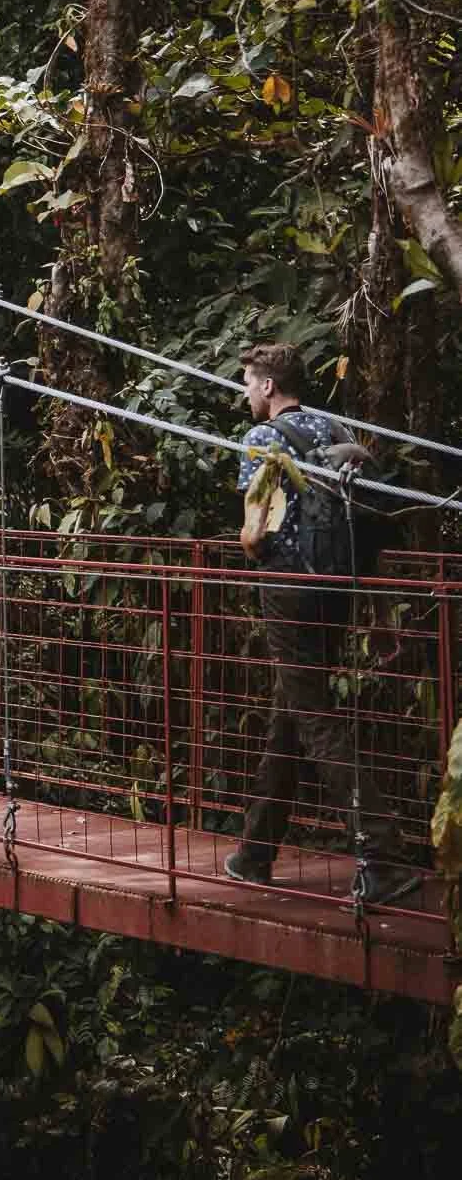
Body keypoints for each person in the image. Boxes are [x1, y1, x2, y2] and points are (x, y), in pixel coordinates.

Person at [224, 341, 414, 906]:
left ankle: (383, 855)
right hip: (335, 592)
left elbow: (255, 532)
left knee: (314, 719)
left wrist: (247, 547)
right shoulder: (333, 431)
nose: (244, 394)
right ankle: (255, 852)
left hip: (288, 592)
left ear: (267, 386)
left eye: (247, 382)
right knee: (293, 711)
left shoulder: (263, 439)